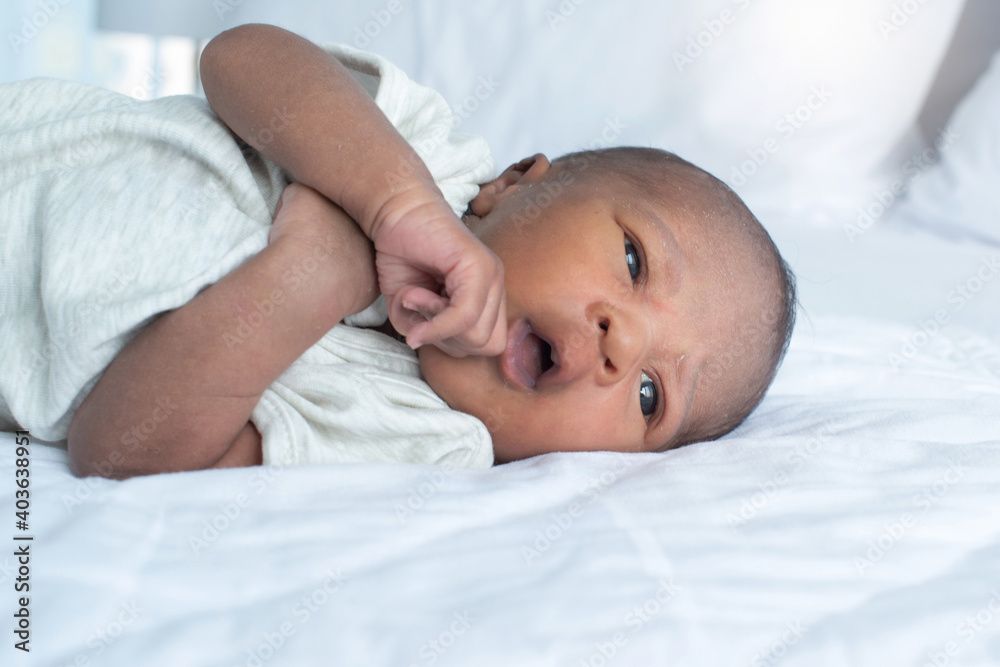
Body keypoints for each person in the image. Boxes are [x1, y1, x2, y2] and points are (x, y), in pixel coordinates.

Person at [0, 24, 795, 478]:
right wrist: (393, 202)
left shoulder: (414, 441)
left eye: (652, 398)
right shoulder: (418, 152)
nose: (624, 346)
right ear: (514, 185)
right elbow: (237, 56)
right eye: (633, 261)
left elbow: (121, 449)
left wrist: (309, 277)